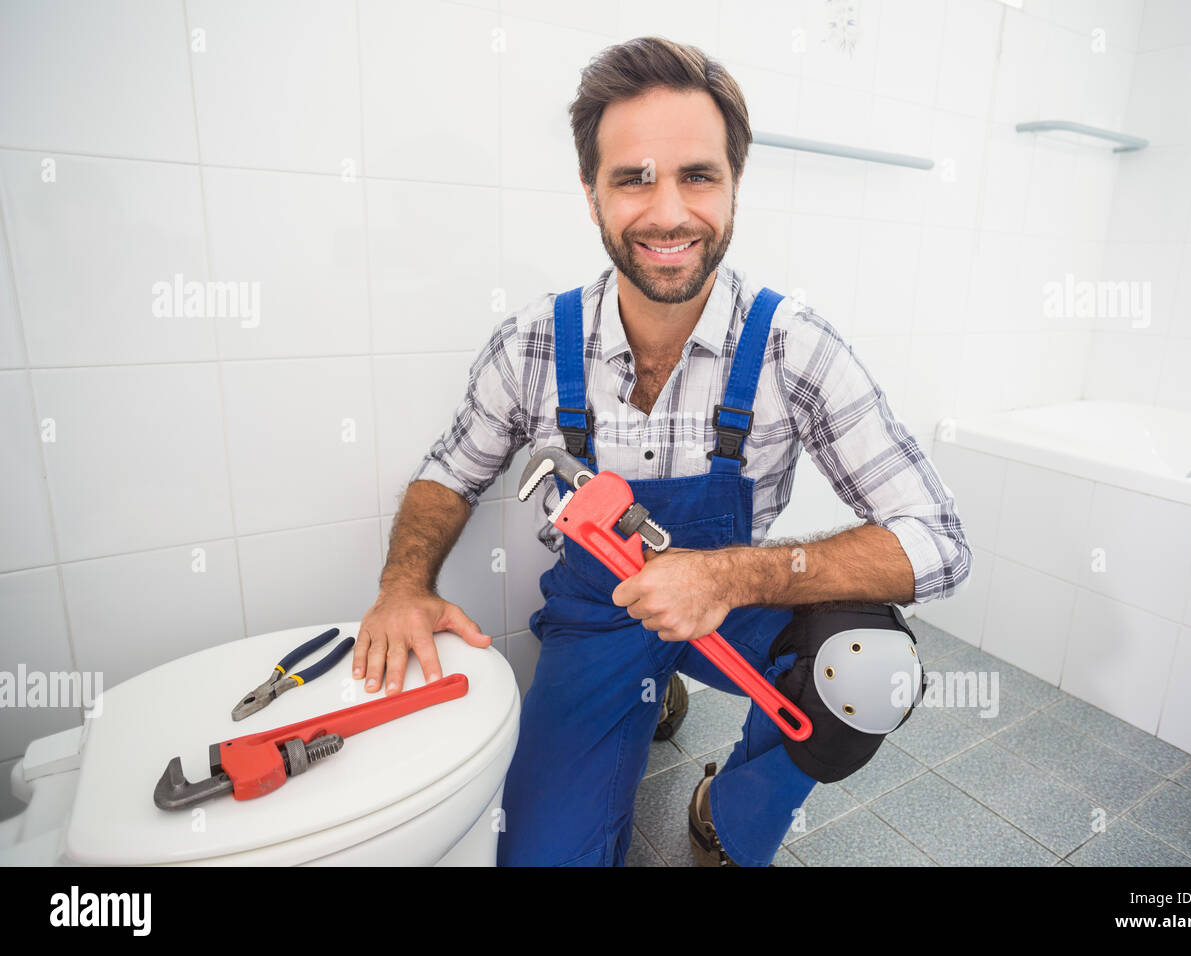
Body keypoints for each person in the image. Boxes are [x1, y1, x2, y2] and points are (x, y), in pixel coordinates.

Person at [354, 36, 971, 867]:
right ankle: (654, 693)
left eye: (697, 176)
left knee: (870, 669)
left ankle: (728, 812)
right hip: (599, 620)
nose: (669, 212)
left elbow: (938, 539)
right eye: (633, 177)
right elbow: (448, 473)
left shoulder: (796, 347)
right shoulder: (535, 344)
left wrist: (726, 575)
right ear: (591, 193)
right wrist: (403, 586)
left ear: (734, 185)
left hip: (737, 610)